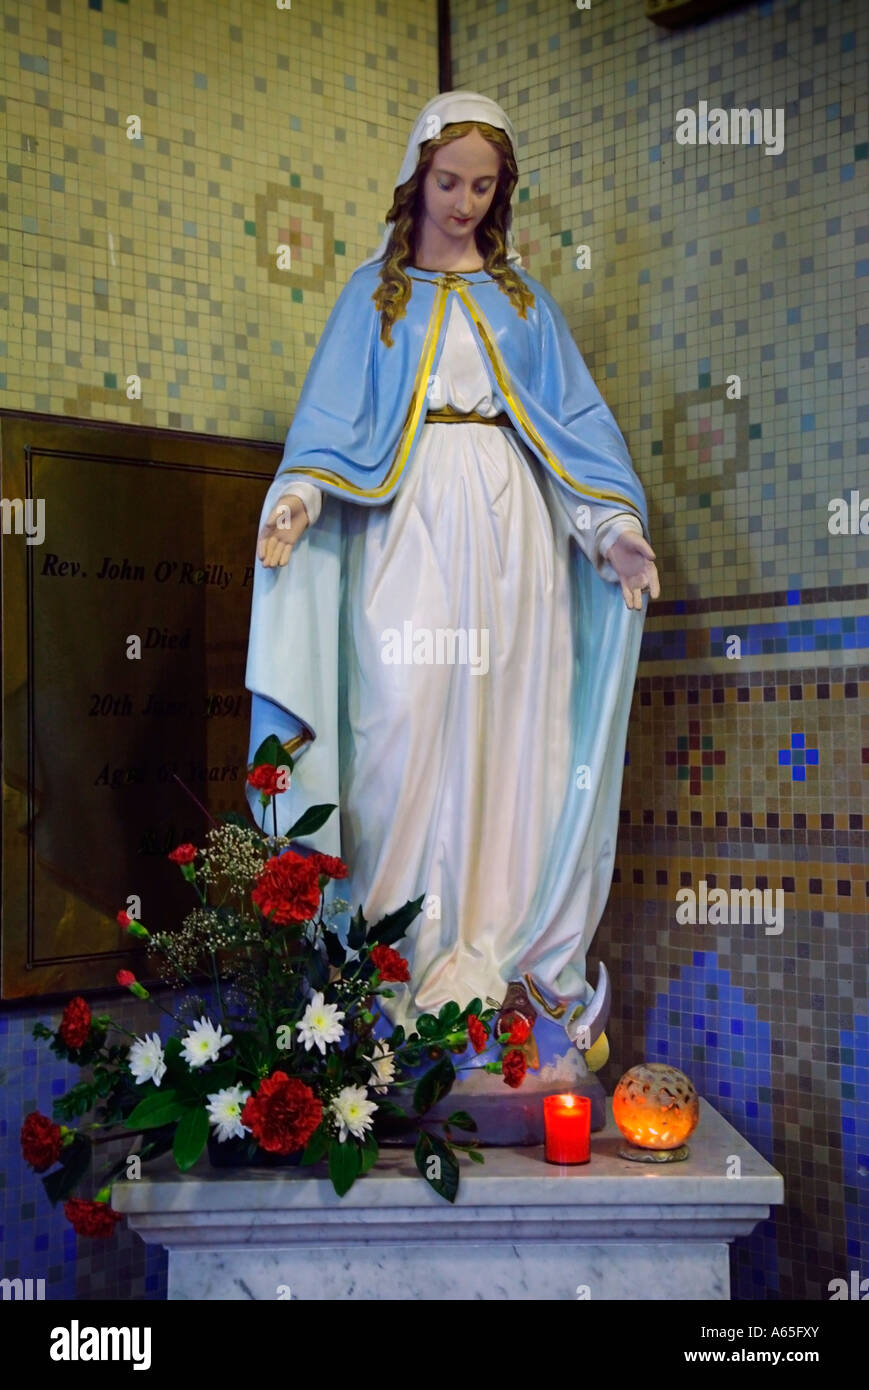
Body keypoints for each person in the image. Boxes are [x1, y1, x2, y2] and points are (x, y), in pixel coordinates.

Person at [246, 91, 659, 1035]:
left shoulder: (523, 305)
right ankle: (383, 975)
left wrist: (612, 530)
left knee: (519, 744)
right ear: (413, 178)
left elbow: (574, 438)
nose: (465, 201)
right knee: (394, 728)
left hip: (516, 545)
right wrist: (297, 501)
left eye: (483, 185)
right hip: (402, 533)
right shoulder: (369, 298)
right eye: (448, 181)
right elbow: (329, 430)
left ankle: (500, 961)